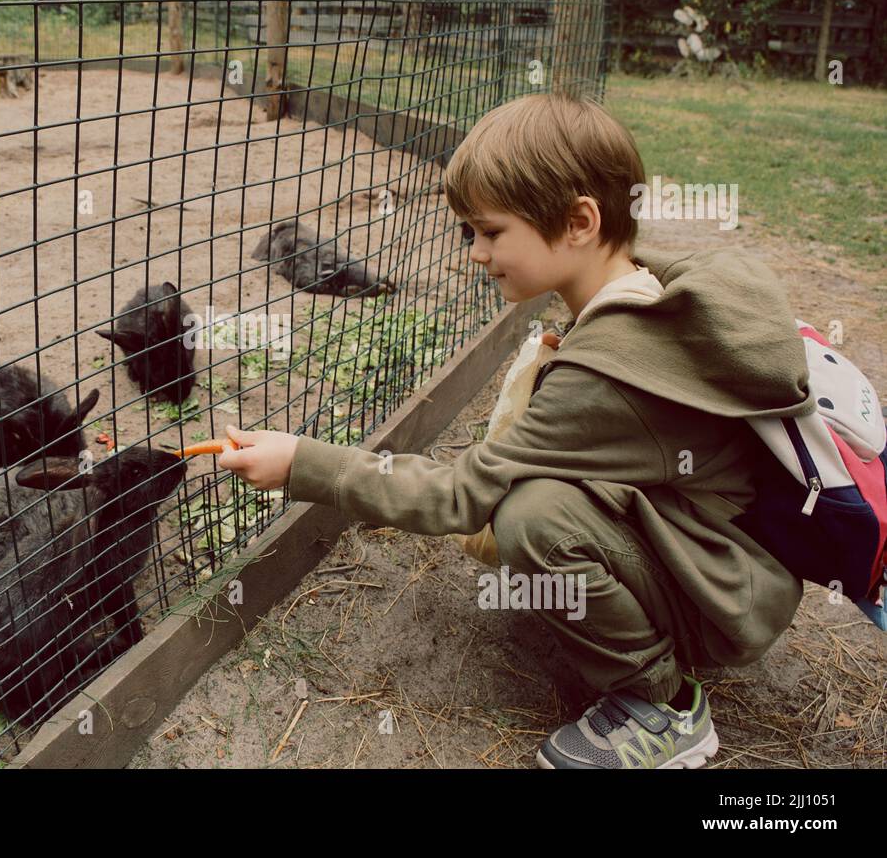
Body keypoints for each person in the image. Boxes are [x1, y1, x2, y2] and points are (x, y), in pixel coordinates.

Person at [219, 91, 813, 769]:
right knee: (538, 498)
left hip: (727, 601)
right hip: (730, 568)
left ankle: (663, 707)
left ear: (579, 220)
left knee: (534, 518)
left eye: (491, 232)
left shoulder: (609, 370)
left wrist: (303, 462)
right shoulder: (643, 292)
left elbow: (458, 496)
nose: (475, 253)